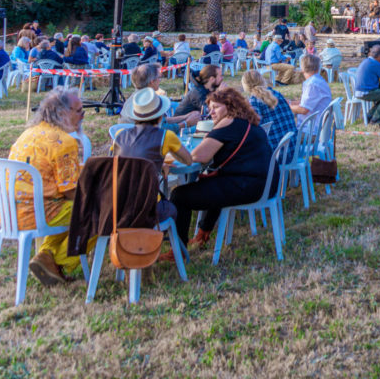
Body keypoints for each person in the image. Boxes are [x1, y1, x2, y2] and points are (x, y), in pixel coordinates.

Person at [169, 87, 274, 250]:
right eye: (210, 109)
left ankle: (178, 251)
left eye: (216, 107)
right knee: (213, 179)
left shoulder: (228, 122)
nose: (211, 112)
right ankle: (203, 232)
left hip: (249, 186)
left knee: (178, 195)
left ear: (231, 105)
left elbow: (198, 156)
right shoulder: (245, 120)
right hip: (265, 183)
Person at [7, 88, 85, 285]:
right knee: (99, 212)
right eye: (79, 111)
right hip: (43, 212)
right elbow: (69, 191)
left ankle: (46, 255)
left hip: (12, 213)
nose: (82, 116)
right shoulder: (65, 142)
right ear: (63, 112)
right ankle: (59, 264)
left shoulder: (28, 134)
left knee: (81, 208)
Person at [112, 88, 192, 170]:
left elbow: (117, 162)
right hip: (148, 182)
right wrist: (170, 151)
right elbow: (188, 161)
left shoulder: (119, 135)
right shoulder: (166, 136)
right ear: (161, 116)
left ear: (134, 116)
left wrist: (157, 164)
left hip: (119, 182)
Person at [242, 69, 297, 152]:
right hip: (293, 148)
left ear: (245, 85)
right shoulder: (276, 93)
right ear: (262, 80)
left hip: (276, 154)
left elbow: (253, 132)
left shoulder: (254, 101)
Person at [354, 44, 380, 125]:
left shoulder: (367, 61)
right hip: (366, 91)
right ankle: (375, 119)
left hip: (360, 90)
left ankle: (370, 115)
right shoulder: (375, 63)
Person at [290, 54, 332, 119]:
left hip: (311, 126)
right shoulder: (318, 80)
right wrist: (291, 103)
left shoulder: (312, 84)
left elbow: (304, 110)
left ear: (302, 68)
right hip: (319, 122)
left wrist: (286, 106)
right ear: (318, 68)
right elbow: (308, 102)